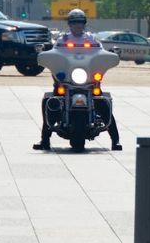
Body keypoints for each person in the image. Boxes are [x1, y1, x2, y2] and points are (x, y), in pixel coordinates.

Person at [32, 8, 122, 151]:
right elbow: (54, 54)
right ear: (69, 24)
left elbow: (101, 53)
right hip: (66, 82)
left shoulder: (91, 40)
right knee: (50, 103)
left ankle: (115, 140)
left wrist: (109, 57)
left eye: (80, 22)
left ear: (84, 24)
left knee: (104, 105)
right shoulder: (63, 40)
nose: (77, 25)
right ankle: (45, 140)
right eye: (74, 23)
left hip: (89, 83)